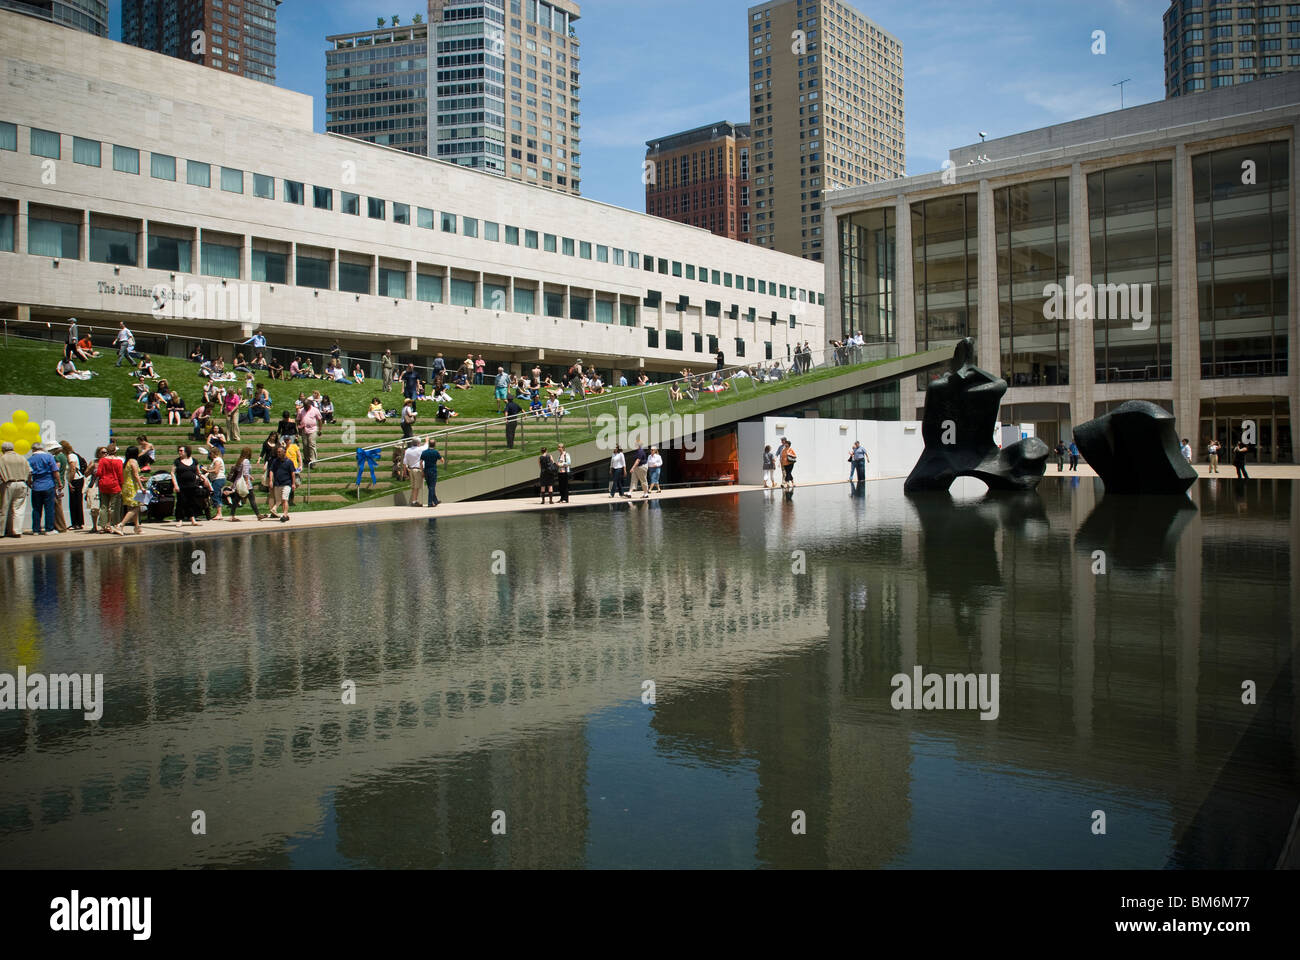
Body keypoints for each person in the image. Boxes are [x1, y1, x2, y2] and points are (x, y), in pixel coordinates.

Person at [26, 443, 60, 535]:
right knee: (49, 508)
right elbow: (55, 471)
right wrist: (59, 483)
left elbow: (29, 474)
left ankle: (36, 529)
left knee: (36, 509)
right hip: (48, 484)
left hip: (36, 485)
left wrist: (29, 483)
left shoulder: (30, 459)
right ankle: (49, 529)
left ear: (33, 449)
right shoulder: (49, 457)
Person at [0, 441, 31, 538]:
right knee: (18, 509)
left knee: (3, 509)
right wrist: (28, 483)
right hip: (22, 483)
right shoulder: (22, 458)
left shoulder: (3, 458)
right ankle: (16, 531)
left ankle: (1, 532)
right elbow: (30, 472)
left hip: (8, 483)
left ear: (3, 449)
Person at [112, 446, 145, 536]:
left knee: (132, 508)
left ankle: (137, 527)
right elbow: (135, 475)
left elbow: (131, 475)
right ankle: (120, 525)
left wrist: (139, 479)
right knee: (136, 507)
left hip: (126, 487)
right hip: (132, 488)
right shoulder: (133, 462)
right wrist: (142, 487)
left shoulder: (126, 462)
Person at [172, 445, 208, 526]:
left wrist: (204, 478)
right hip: (181, 485)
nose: (179, 452)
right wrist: (175, 485)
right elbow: (172, 473)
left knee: (192, 502)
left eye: (181, 450)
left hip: (192, 485)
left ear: (186, 451)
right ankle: (180, 520)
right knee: (181, 502)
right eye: (179, 450)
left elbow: (198, 472)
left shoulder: (194, 461)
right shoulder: (177, 461)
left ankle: (193, 519)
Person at [226, 448, 263, 521]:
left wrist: (250, 476)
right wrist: (247, 483)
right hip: (244, 483)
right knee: (252, 499)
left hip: (238, 482)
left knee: (236, 500)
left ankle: (232, 516)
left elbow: (240, 472)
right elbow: (245, 473)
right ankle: (258, 515)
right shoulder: (246, 461)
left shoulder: (240, 460)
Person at [96, 444, 125, 532]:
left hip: (104, 484)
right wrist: (122, 483)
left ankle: (102, 526)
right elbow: (120, 474)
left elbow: (98, 473)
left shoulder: (102, 460)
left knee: (103, 506)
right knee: (114, 507)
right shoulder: (119, 461)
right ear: (115, 451)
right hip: (115, 484)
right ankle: (116, 524)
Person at [264, 445, 297, 522]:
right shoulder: (275, 461)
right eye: (277, 452)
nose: (278, 453)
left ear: (284, 452)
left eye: (279, 452)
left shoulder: (289, 462)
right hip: (277, 484)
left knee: (284, 499)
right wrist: (271, 481)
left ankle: (284, 515)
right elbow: (271, 470)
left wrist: (293, 483)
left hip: (286, 483)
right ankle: (285, 514)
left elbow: (293, 473)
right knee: (279, 500)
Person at [60, 441, 86, 530]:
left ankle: (77, 523)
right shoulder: (72, 455)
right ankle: (76, 522)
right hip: (75, 480)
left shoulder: (71, 456)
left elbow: (73, 469)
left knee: (76, 502)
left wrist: (70, 482)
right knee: (74, 502)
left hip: (76, 480)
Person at [297, 399, 321, 470]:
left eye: (306, 405)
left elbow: (319, 420)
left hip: (312, 430)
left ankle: (313, 461)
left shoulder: (315, 410)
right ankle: (307, 460)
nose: (305, 407)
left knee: (311, 444)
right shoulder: (301, 411)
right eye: (304, 405)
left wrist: (320, 430)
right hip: (304, 430)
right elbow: (298, 420)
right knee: (305, 445)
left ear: (309, 404)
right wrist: (299, 429)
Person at [420, 437, 444, 508]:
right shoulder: (435, 452)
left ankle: (435, 501)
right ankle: (430, 503)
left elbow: (420, 462)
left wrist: (422, 471)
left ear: (429, 445)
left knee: (430, 486)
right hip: (433, 470)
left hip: (426, 470)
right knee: (432, 487)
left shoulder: (424, 452)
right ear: (434, 445)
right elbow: (442, 460)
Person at [404, 438, 427, 508]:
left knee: (413, 486)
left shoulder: (407, 450)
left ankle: (414, 500)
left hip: (411, 470)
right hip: (417, 470)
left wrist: (405, 472)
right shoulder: (420, 449)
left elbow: (404, 463)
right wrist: (427, 440)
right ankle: (414, 501)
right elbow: (426, 446)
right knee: (416, 487)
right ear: (418, 443)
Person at [206, 446, 227, 521]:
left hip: (218, 479)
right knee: (216, 494)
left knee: (216, 495)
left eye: (210, 453)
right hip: (216, 479)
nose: (209, 455)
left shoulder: (217, 460)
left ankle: (219, 513)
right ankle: (218, 513)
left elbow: (216, 471)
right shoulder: (216, 460)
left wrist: (207, 471)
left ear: (214, 453)